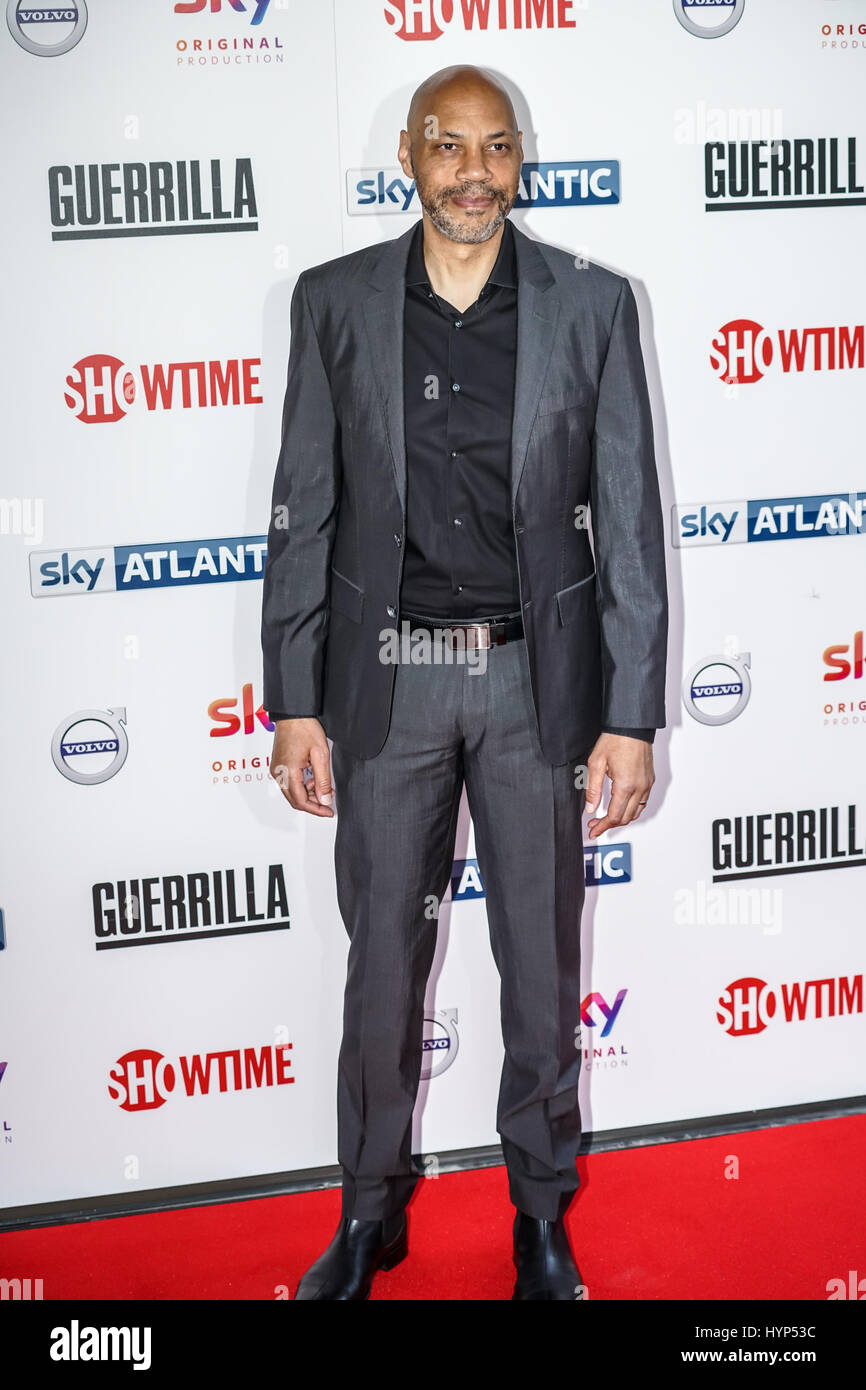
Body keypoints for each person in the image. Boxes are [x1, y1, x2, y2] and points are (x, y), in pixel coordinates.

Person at [261, 64, 668, 1301]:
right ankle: (367, 1214)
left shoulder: (591, 306)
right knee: (379, 971)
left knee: (541, 973)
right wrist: (292, 698)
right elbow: (305, 514)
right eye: (449, 146)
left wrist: (630, 713)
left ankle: (539, 1216)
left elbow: (631, 526)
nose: (473, 171)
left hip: (532, 693)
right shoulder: (333, 303)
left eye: (496, 148)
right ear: (408, 153)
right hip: (382, 692)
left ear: (519, 160)